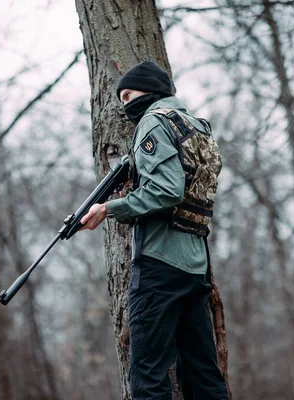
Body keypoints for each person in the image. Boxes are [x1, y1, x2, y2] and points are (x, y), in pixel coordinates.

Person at [80, 61, 230, 400]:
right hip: (195, 267)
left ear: (151, 90)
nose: (125, 105)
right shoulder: (194, 125)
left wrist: (109, 208)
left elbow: (167, 190)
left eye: (129, 95)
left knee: (148, 377)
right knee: (203, 375)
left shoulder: (152, 122)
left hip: (159, 265)